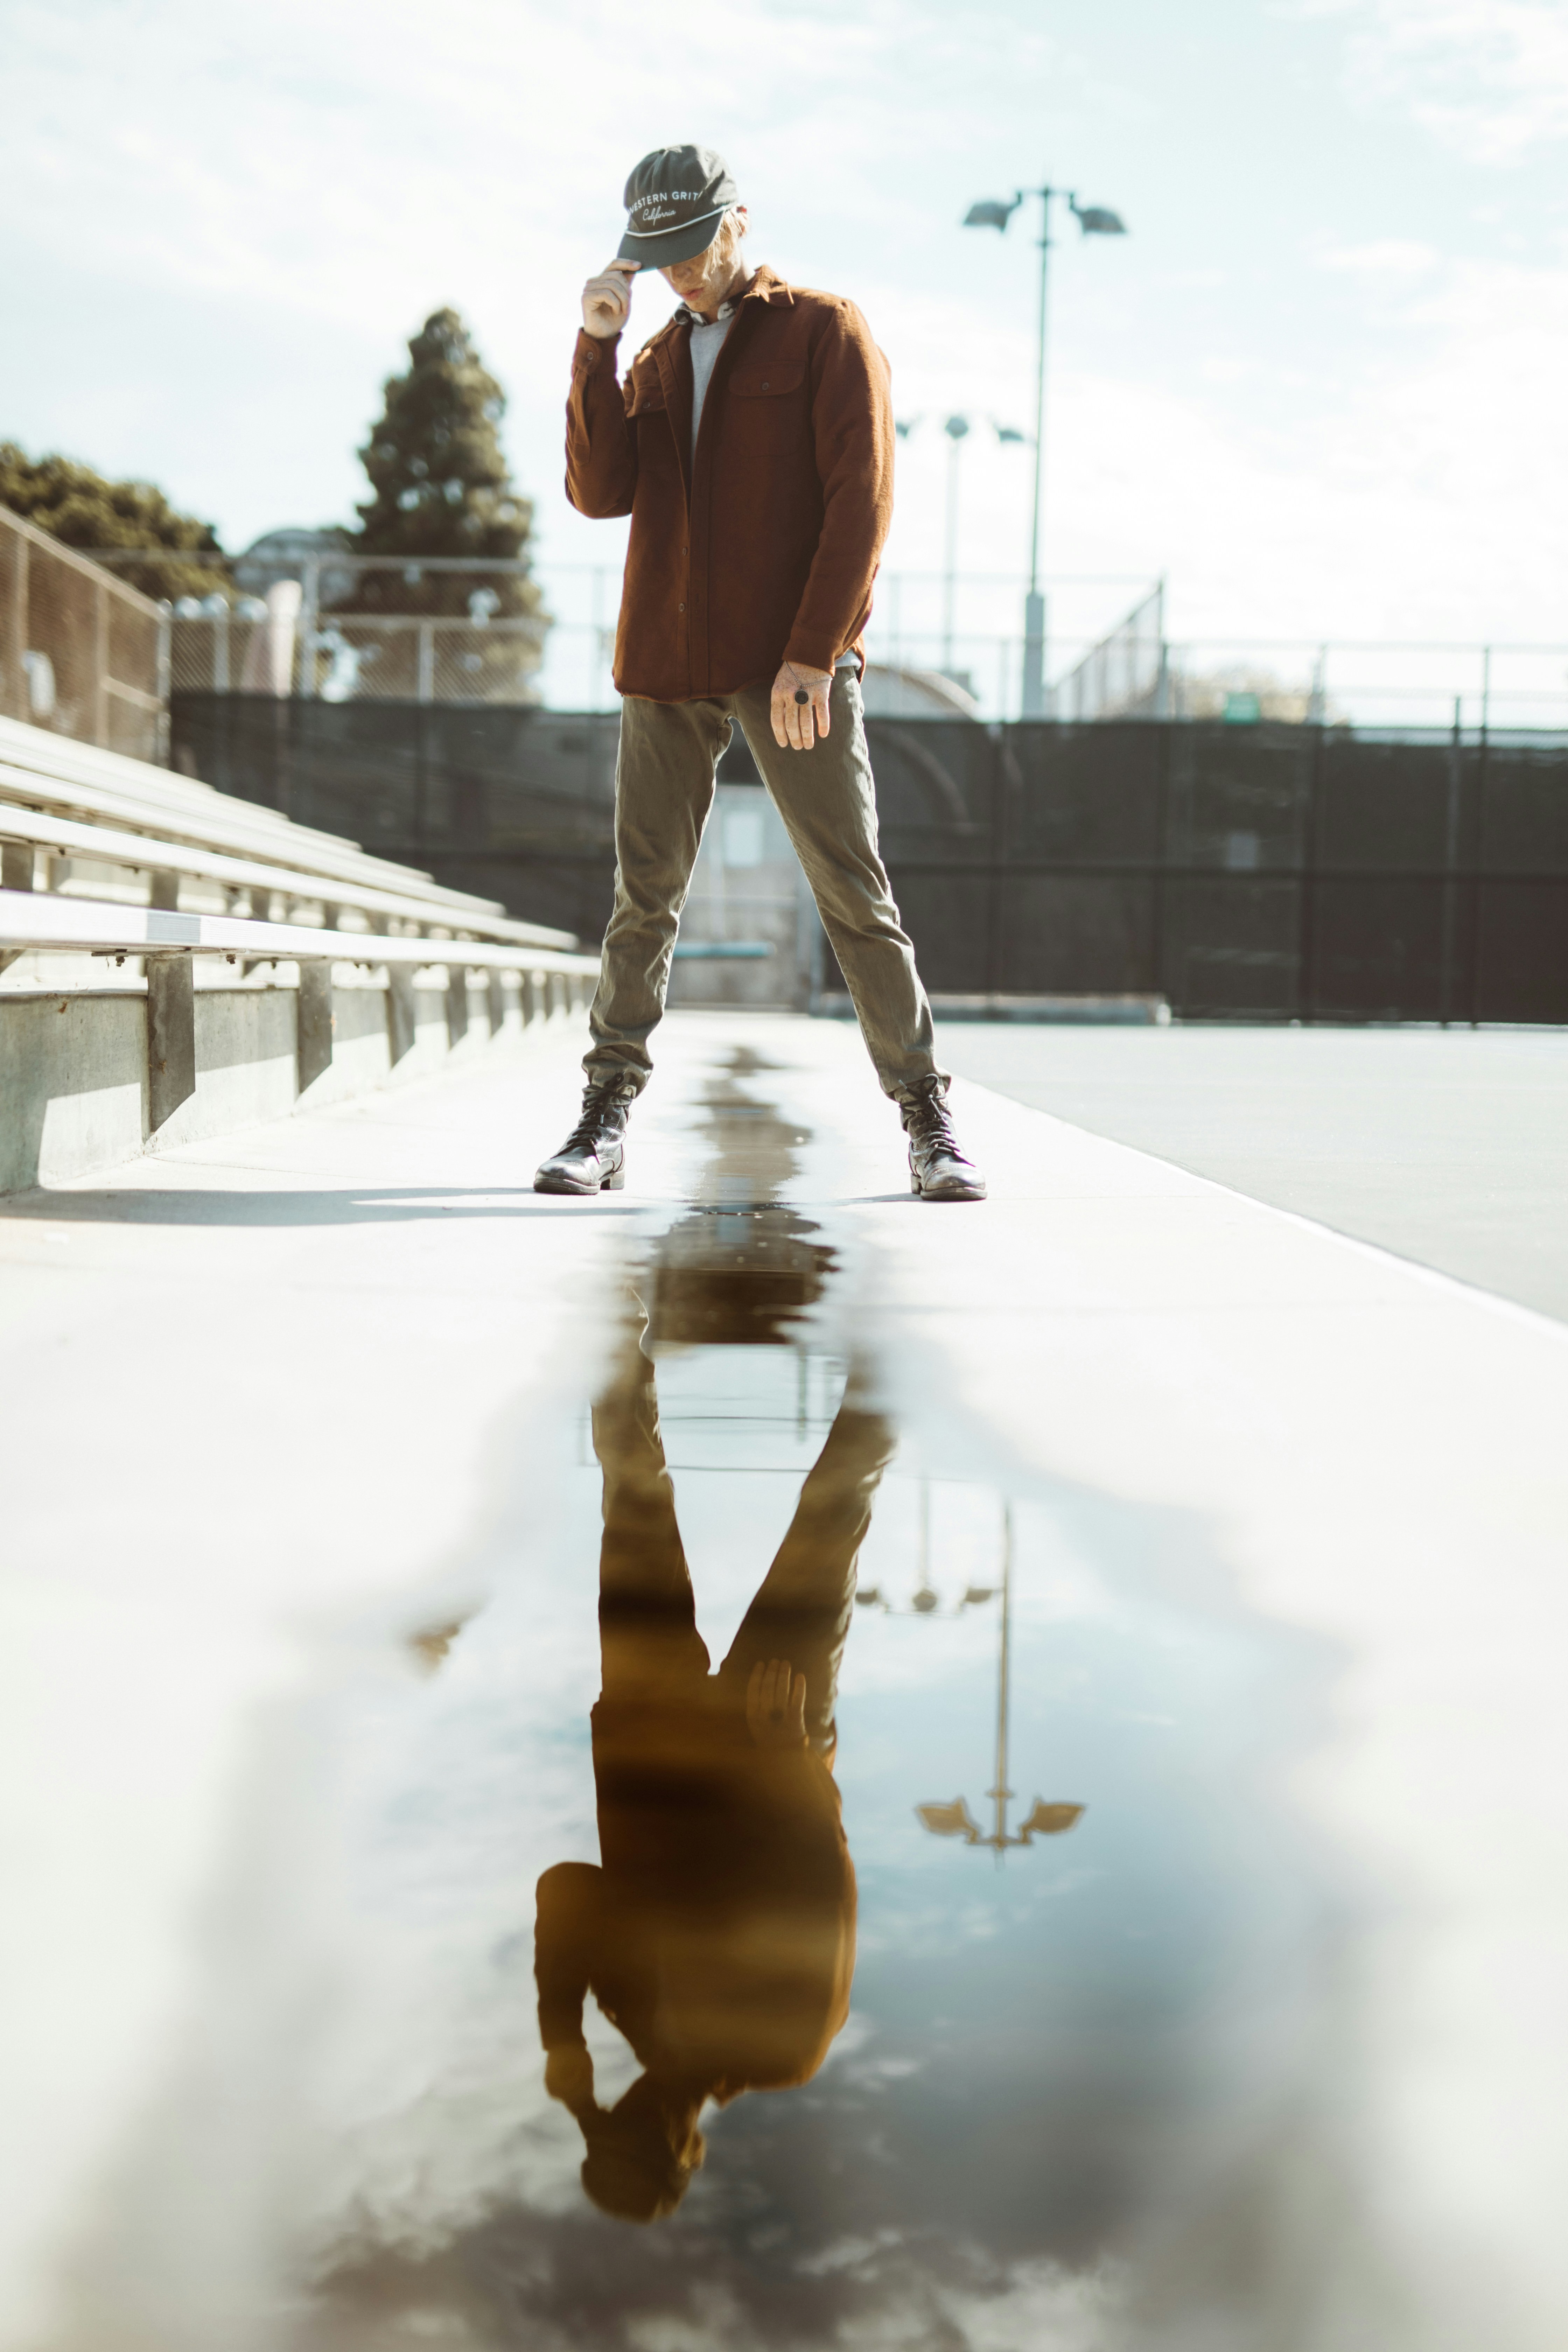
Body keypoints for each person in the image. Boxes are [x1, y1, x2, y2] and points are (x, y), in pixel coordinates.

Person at [534, 142, 986, 1205]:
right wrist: (592, 350)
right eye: (661, 257)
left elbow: (860, 501)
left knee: (850, 887)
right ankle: (603, 1120)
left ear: (738, 222)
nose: (681, 272)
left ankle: (928, 1118)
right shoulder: (646, 358)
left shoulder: (825, 330)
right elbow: (599, 495)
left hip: (791, 665)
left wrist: (813, 655)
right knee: (642, 898)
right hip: (664, 663)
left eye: (693, 247)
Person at [534, 1294, 895, 2222]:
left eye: (609, 2130)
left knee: (631, 1493)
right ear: (689, 2155)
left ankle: (615, 1327)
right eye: (647, 2152)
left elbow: (566, 1888)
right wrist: (787, 1762)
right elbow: (829, 1890)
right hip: (770, 1739)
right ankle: (899, 1343)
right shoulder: (783, 2054)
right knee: (837, 1500)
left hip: (651, 1728)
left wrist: (561, 2041)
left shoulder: (627, 2014)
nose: (631, 2124)